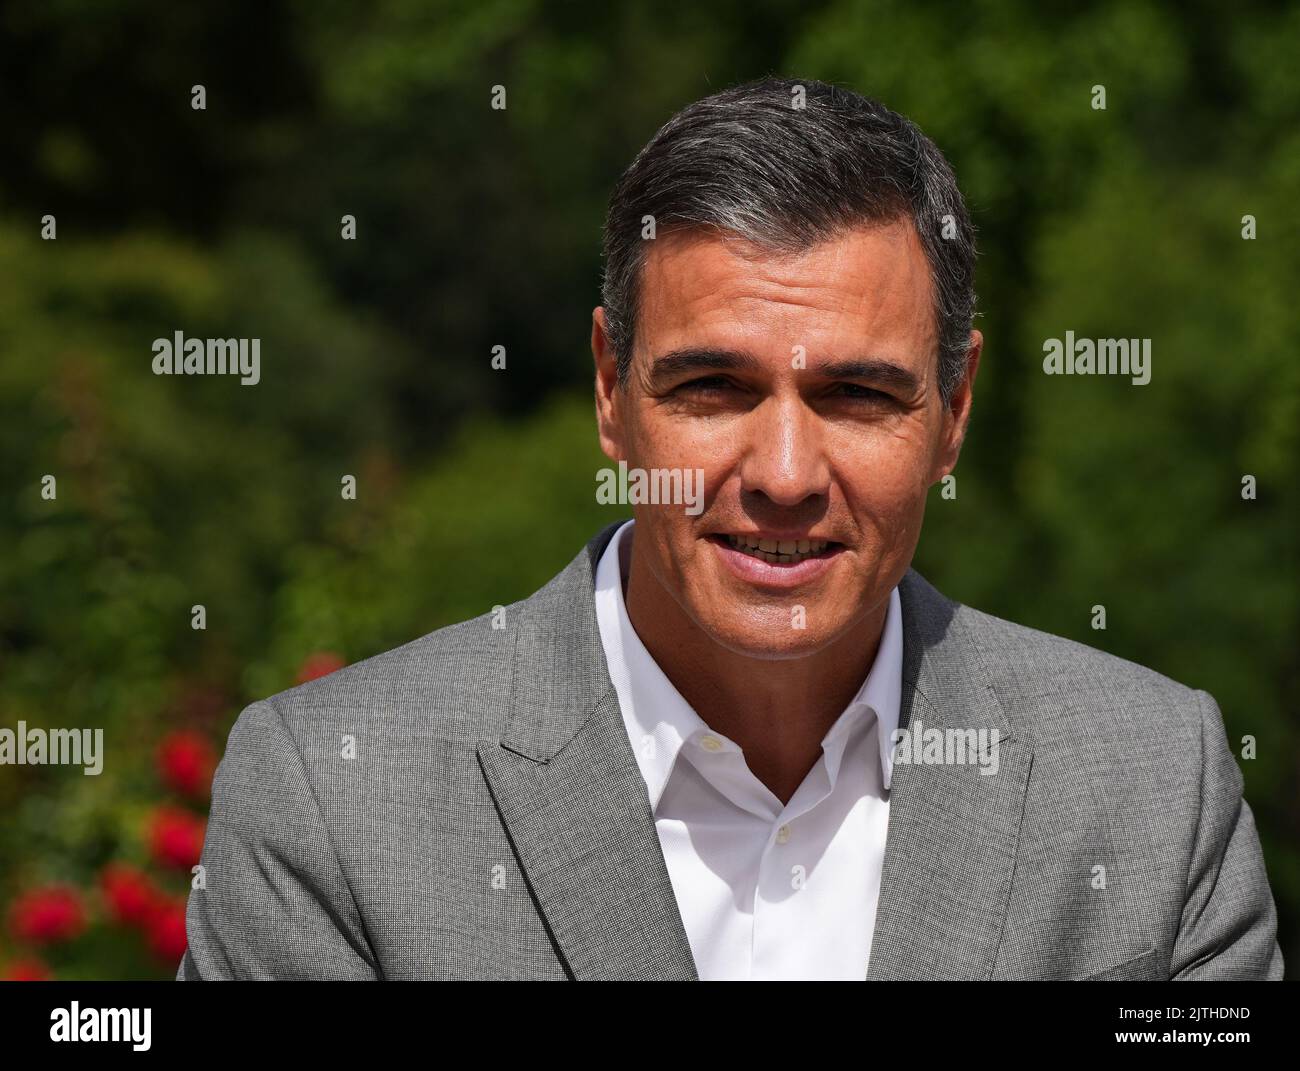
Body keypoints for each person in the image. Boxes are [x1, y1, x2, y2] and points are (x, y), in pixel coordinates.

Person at [177, 77, 1283, 981]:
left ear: (953, 414)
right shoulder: (334, 799)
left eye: (858, 395)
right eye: (712, 387)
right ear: (610, 390)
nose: (787, 476)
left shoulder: (1149, 788)